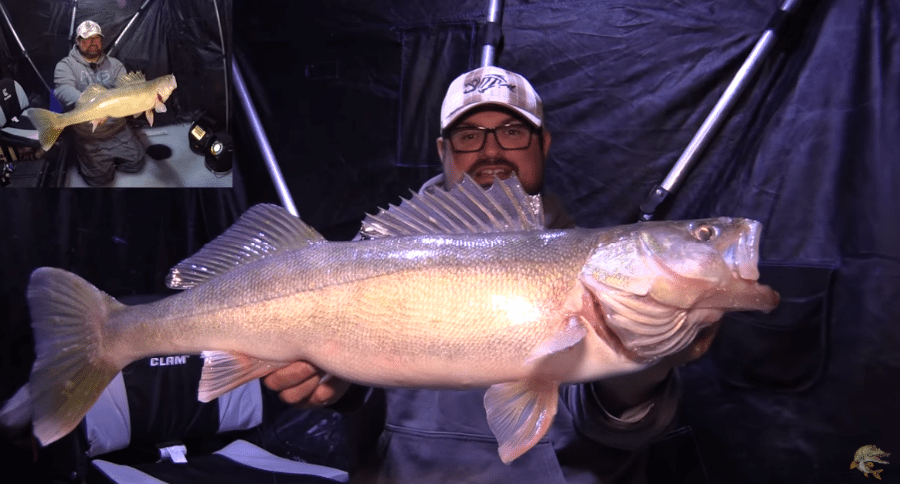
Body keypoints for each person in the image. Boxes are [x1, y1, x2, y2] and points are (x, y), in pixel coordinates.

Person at [263, 66, 715, 483]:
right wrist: (334, 386)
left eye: (513, 131)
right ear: (443, 150)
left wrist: (643, 366)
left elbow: (617, 428)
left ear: (543, 144)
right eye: (468, 135)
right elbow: (358, 394)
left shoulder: (599, 265)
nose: (492, 150)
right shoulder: (369, 258)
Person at [53, 20, 146, 186]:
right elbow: (62, 89)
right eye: (86, 38)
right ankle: (86, 158)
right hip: (89, 135)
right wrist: (90, 105)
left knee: (137, 164)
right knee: (99, 180)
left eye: (96, 38)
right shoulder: (65, 65)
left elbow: (126, 90)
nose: (92, 43)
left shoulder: (116, 65)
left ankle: (112, 158)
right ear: (77, 41)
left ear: (102, 40)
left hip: (117, 129)